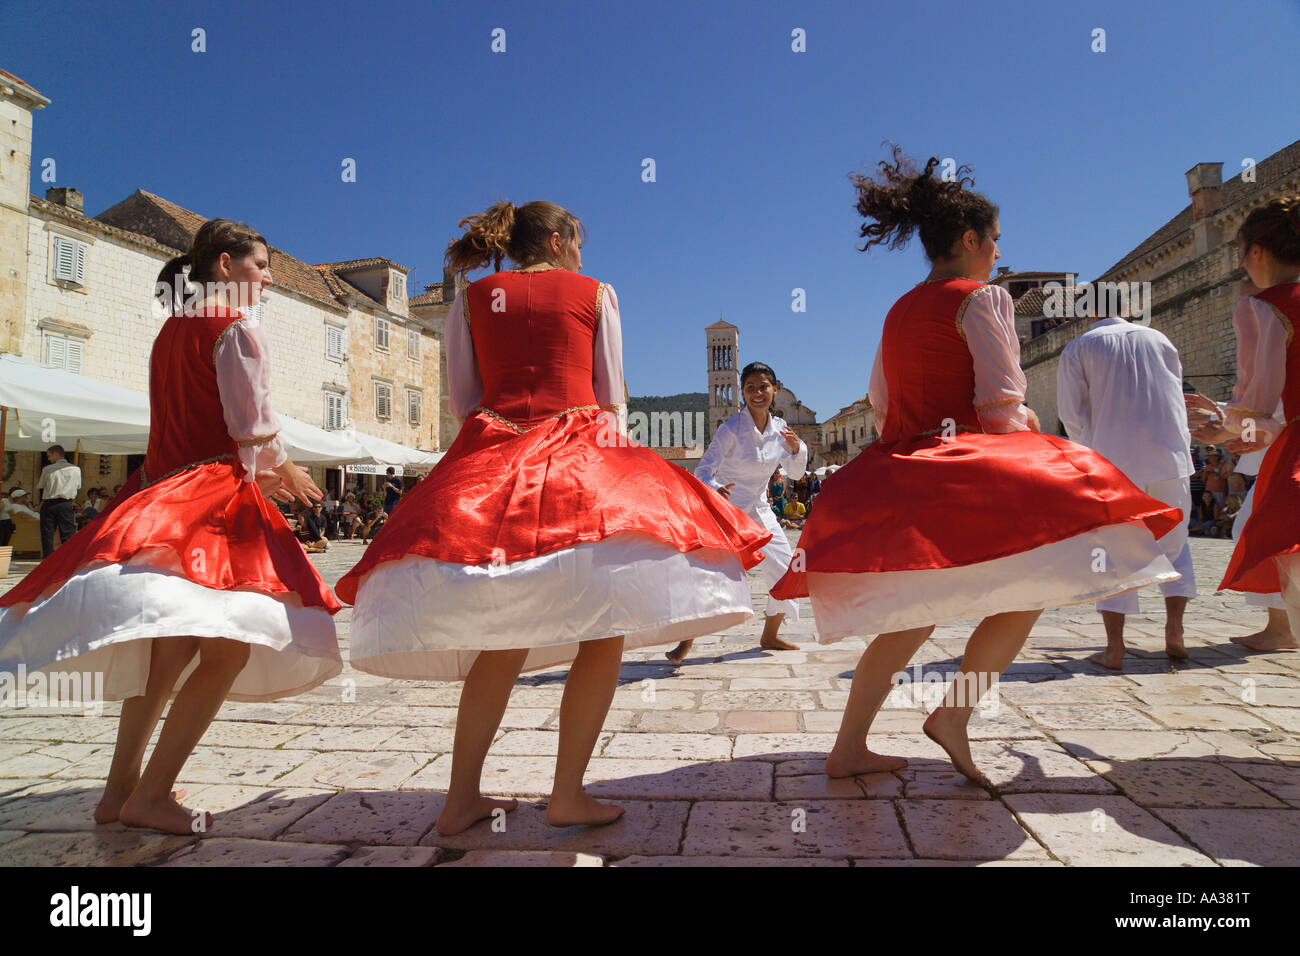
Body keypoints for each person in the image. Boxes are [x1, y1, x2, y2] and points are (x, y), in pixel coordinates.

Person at [335, 200, 770, 834]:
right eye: (580, 243)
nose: (583, 255)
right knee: (604, 627)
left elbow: (462, 399)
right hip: (580, 461)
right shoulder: (597, 293)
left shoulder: (473, 296)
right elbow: (612, 396)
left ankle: (461, 799)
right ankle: (568, 793)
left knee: (504, 637)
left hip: (497, 458)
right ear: (562, 240)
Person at [771, 149, 1182, 786]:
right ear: (969, 239)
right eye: (994, 240)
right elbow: (998, 405)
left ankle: (850, 746)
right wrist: (1035, 449)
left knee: (913, 614)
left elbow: (881, 404)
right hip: (963, 470)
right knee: (1037, 586)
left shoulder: (897, 310)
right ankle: (954, 716)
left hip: (902, 471)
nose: (997, 251)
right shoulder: (984, 299)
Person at [0, 218, 343, 833]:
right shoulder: (237, 325)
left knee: (166, 655)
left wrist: (262, 465)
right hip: (209, 501)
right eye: (259, 266)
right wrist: (286, 470)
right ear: (223, 265)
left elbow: (194, 422)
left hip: (158, 492)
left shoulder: (170, 331)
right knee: (228, 651)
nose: (267, 278)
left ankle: (119, 792)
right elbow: (253, 426)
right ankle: (151, 795)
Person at [1188, 197, 1300, 651]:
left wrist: (1224, 427)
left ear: (1255, 252)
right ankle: (1281, 629)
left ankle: (1283, 630)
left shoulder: (1261, 308)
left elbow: (1257, 403)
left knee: (1279, 534)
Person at [1057, 306, 1197, 667]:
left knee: (1112, 549)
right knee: (1176, 543)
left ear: (1088, 313)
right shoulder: (1159, 339)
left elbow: (1070, 413)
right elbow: (1175, 394)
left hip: (1113, 463)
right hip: (1170, 458)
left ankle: (1115, 647)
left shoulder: (1080, 346)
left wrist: (1088, 448)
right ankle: (1175, 630)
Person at [666, 361, 808, 663]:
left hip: (759, 509)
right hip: (727, 511)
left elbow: (796, 473)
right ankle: (685, 640)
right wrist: (715, 486)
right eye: (751, 388)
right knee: (710, 574)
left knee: (785, 568)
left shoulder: (781, 430)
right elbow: (705, 470)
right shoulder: (731, 429)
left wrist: (797, 449)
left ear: (775, 390)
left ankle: (770, 634)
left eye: (763, 387)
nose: (758, 393)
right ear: (743, 393)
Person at [36, 444, 81, 557]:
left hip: (49, 503)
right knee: (68, 533)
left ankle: (48, 560)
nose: (49, 459)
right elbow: (78, 486)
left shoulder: (47, 469)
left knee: (47, 534)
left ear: (56, 454)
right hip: (66, 503)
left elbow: (41, 485)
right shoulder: (76, 469)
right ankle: (68, 558)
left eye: (49, 456)